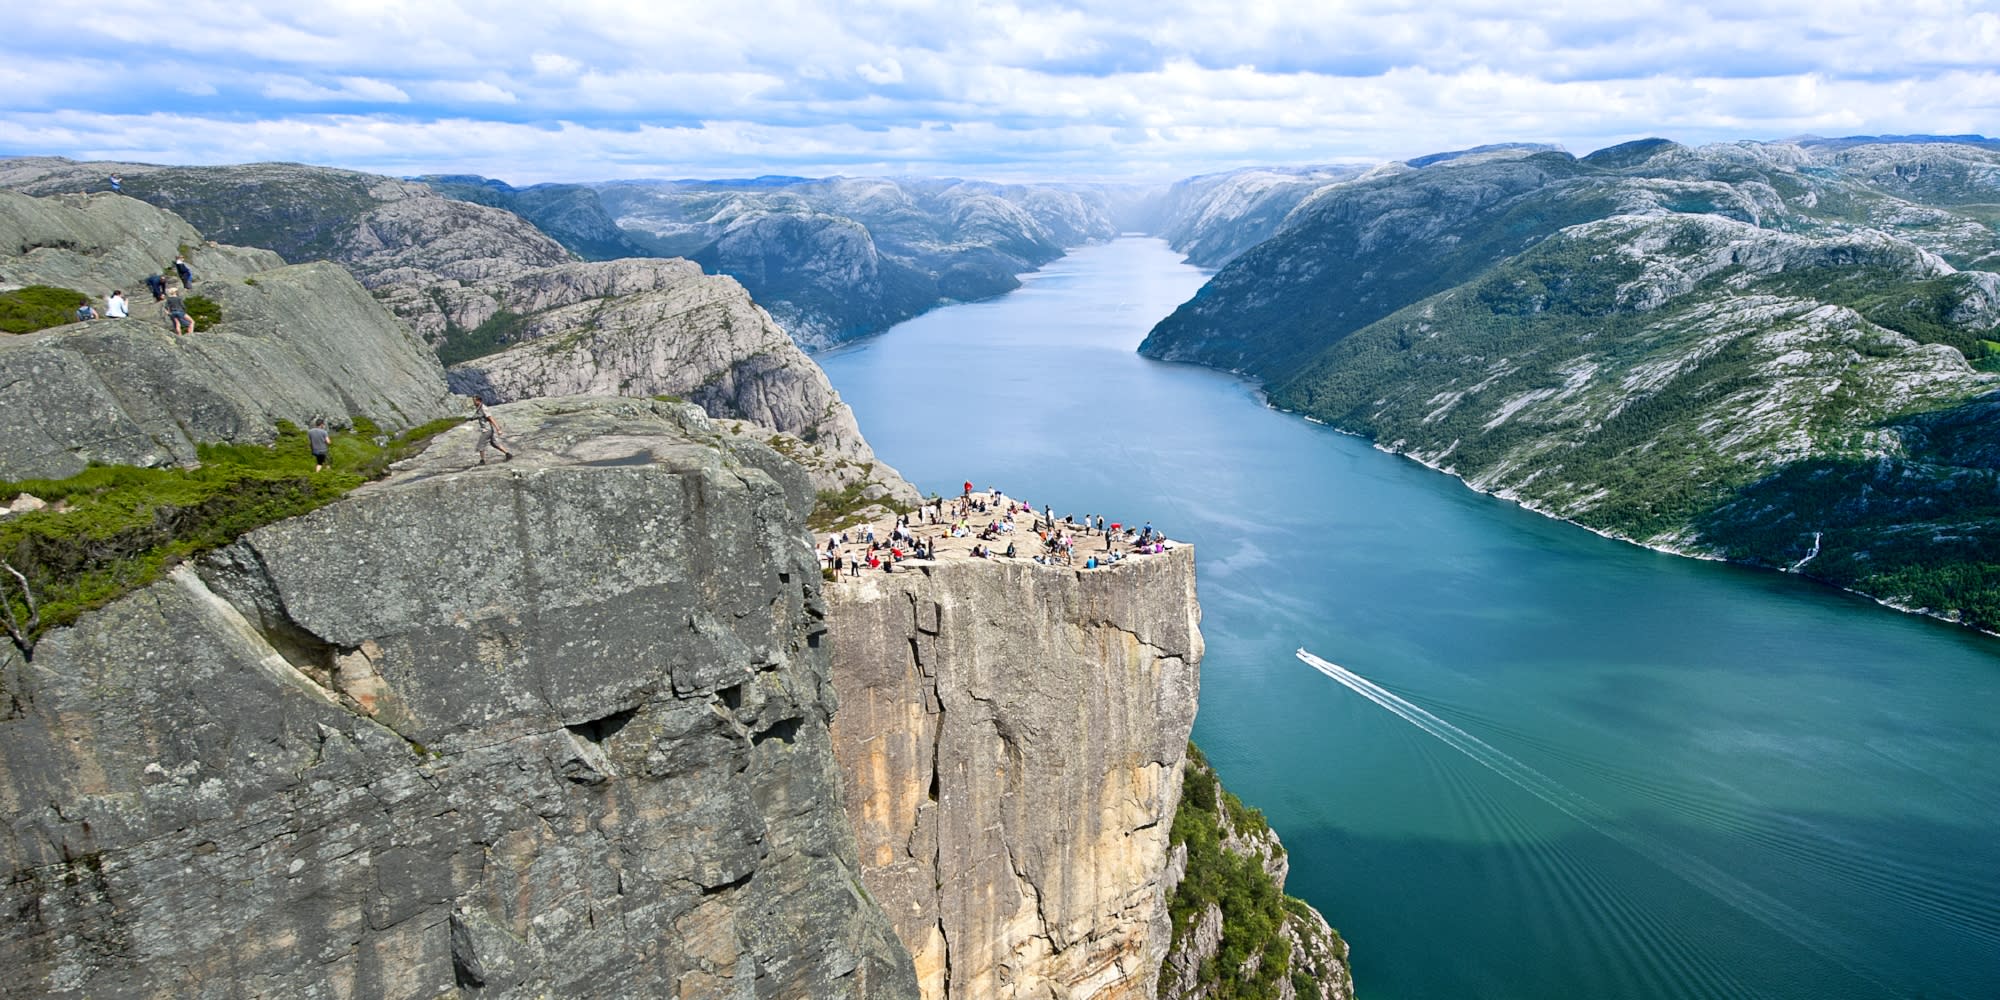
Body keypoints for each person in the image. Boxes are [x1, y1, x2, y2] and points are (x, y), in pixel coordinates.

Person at [472, 397, 513, 464]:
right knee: (494, 444)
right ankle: (508, 454)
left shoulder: (483, 408)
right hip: (488, 429)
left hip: (487, 430)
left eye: (474, 401)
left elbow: (491, 419)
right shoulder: (479, 407)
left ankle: (482, 461)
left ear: (478, 401)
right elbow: (480, 416)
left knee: (480, 445)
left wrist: (498, 429)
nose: (473, 403)